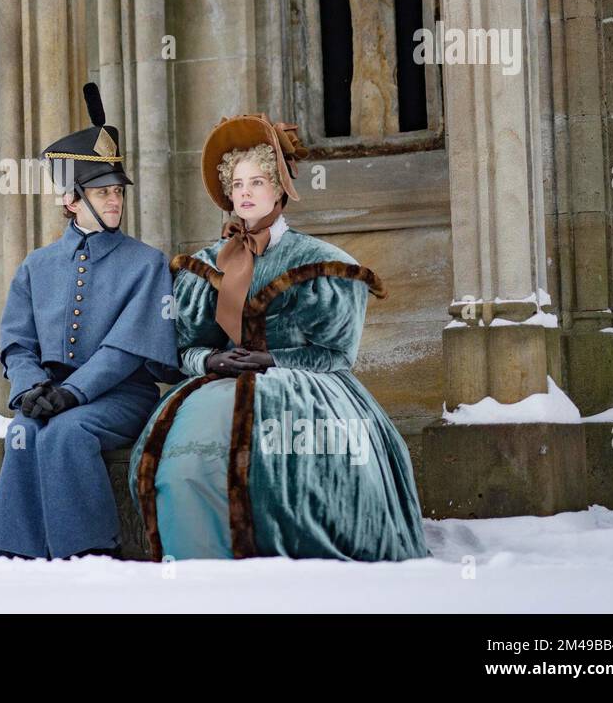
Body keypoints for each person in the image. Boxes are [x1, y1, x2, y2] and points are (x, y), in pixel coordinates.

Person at [128, 113, 429, 561]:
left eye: (257, 182)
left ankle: (286, 573)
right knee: (187, 464)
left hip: (306, 387)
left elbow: (336, 354)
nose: (245, 194)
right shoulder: (206, 264)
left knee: (296, 464)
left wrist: (272, 361)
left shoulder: (321, 261)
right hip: (218, 384)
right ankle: (199, 573)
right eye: (237, 185)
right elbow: (181, 347)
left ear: (279, 188)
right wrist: (209, 362)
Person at [0, 84, 179, 560]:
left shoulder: (146, 262)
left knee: (69, 432)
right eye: (102, 193)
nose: (114, 201)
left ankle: (87, 554)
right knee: (22, 431)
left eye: (117, 192)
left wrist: (75, 392)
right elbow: (16, 342)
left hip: (121, 398)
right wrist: (30, 390)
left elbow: (130, 346)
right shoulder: (36, 265)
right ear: (71, 200)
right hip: (50, 393)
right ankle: (16, 555)